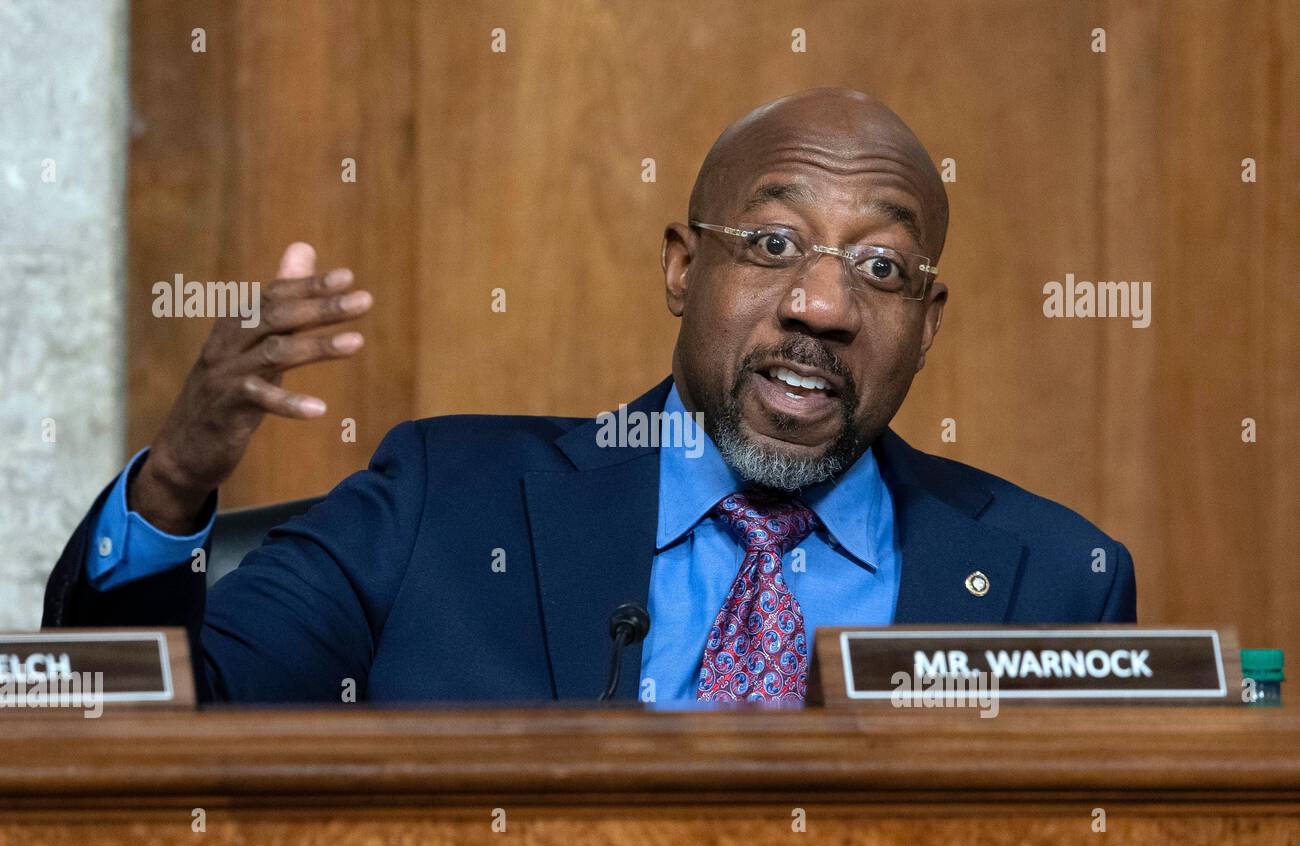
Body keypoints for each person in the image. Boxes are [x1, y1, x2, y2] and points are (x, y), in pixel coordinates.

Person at [43, 87, 1136, 705]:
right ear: (679, 268)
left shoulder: (1054, 580)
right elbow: (147, 726)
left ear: (927, 325)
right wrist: (179, 481)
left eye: (882, 269)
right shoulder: (441, 501)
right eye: (770, 242)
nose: (822, 304)